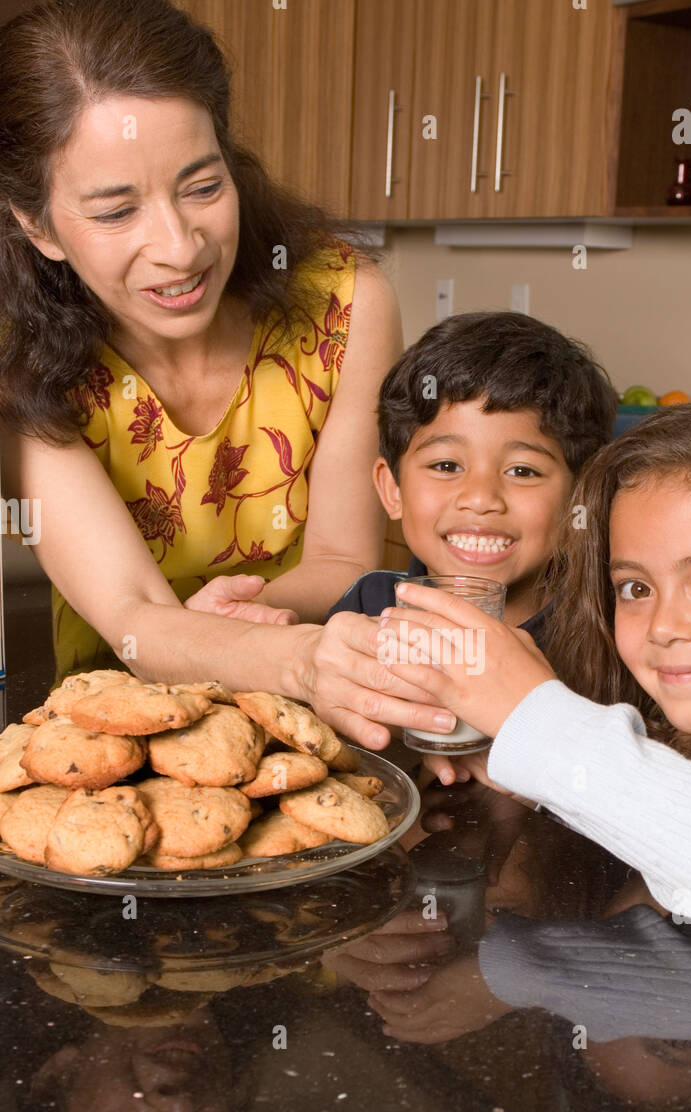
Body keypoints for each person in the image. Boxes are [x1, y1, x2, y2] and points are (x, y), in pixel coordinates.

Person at [0, 0, 451, 746]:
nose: (179, 249)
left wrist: (232, 636)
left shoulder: (348, 302)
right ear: (37, 225)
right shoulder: (16, 365)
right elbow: (132, 613)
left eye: (202, 187)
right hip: (116, 734)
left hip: (332, 717)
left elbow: (343, 557)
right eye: (116, 212)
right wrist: (284, 656)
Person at [378, 398, 691, 973]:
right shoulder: (680, 736)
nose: (664, 626)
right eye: (635, 588)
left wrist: (533, 716)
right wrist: (525, 768)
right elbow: (661, 815)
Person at [327, 309, 616, 780]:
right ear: (392, 489)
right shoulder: (366, 609)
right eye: (445, 466)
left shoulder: (607, 630)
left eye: (522, 471)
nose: (481, 499)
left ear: (580, 498)